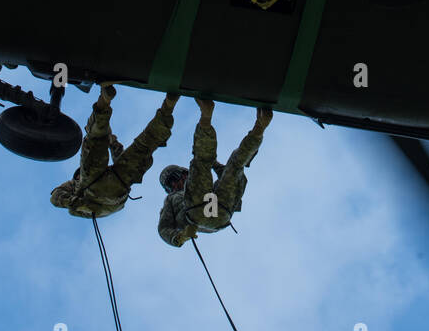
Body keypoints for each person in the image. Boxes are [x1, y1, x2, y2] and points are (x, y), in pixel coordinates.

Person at [50, 84, 178, 219]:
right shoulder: (76, 185)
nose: (78, 177)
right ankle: (104, 102)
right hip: (96, 192)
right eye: (77, 176)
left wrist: (112, 143)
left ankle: (169, 105)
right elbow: (55, 197)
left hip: (116, 190)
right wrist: (77, 203)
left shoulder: (102, 176)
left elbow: (122, 159)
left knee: (142, 148)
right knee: (96, 141)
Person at [157, 99, 272, 247]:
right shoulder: (172, 200)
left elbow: (228, 175)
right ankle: (206, 117)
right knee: (201, 162)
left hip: (219, 210)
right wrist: (179, 237)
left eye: (175, 177)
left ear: (184, 174)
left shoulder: (200, 188)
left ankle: (259, 127)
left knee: (235, 165)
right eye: (169, 185)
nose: (174, 184)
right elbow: (163, 228)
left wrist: (215, 164)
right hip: (199, 215)